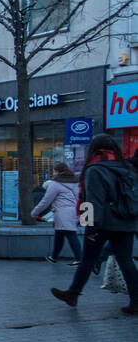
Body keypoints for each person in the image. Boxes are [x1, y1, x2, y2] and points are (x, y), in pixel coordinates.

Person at [51, 134, 138, 313]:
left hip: (102, 224)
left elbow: (92, 201)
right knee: (126, 261)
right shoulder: (127, 167)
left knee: (88, 260)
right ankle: (136, 301)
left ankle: (73, 294)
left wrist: (90, 226)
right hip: (126, 221)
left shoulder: (94, 169)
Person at [33, 163, 82, 265]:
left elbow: (46, 200)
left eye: (54, 171)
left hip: (62, 213)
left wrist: (35, 211)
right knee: (59, 234)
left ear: (58, 172)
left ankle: (79, 258)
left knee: (71, 234)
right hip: (75, 211)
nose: (54, 173)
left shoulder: (55, 184)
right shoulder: (75, 182)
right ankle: (54, 257)